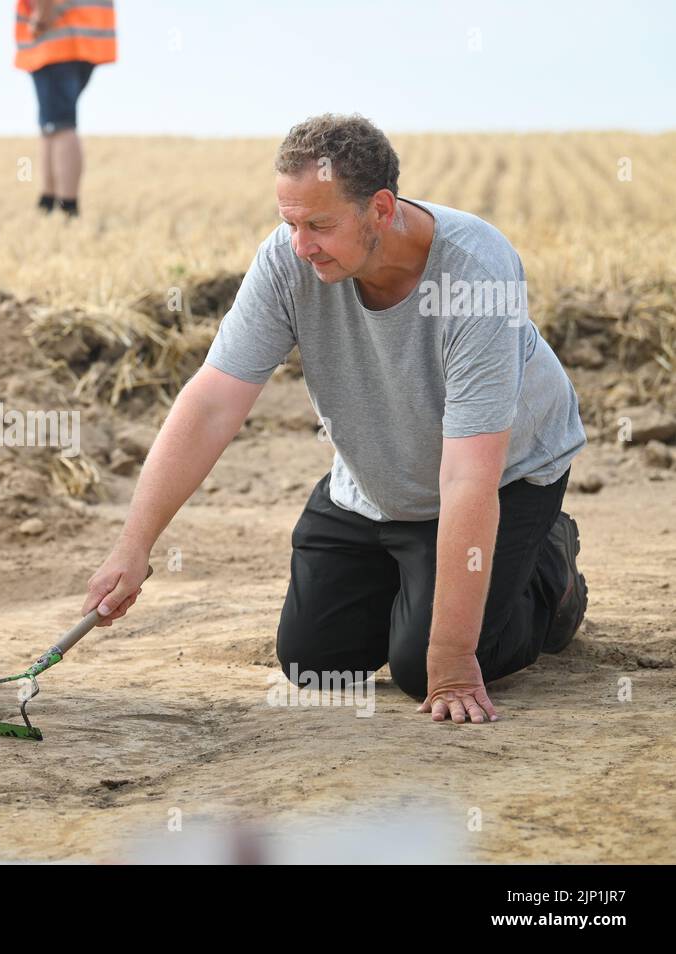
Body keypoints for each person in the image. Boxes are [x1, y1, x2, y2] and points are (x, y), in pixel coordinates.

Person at [84, 114, 589, 725]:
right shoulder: (289, 260)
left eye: (320, 224)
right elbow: (213, 401)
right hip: (374, 477)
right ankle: (418, 585)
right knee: (316, 661)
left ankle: (549, 569)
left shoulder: (476, 273)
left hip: (503, 477)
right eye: (289, 222)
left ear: (380, 208)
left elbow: (467, 477)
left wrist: (453, 656)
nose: (300, 245)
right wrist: (134, 545)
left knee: (421, 669)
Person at [14, 0, 116, 217]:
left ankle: (67, 207)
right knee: (50, 125)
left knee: (60, 126)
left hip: (57, 38)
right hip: (83, 37)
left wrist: (42, 15)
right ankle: (48, 202)